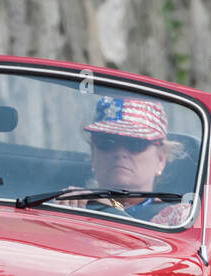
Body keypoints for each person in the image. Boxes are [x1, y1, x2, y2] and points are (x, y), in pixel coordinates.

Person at [65, 95, 190, 224]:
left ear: (161, 159)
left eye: (135, 144)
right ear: (93, 153)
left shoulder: (181, 219)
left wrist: (113, 208)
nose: (120, 153)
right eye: (107, 142)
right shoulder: (70, 206)